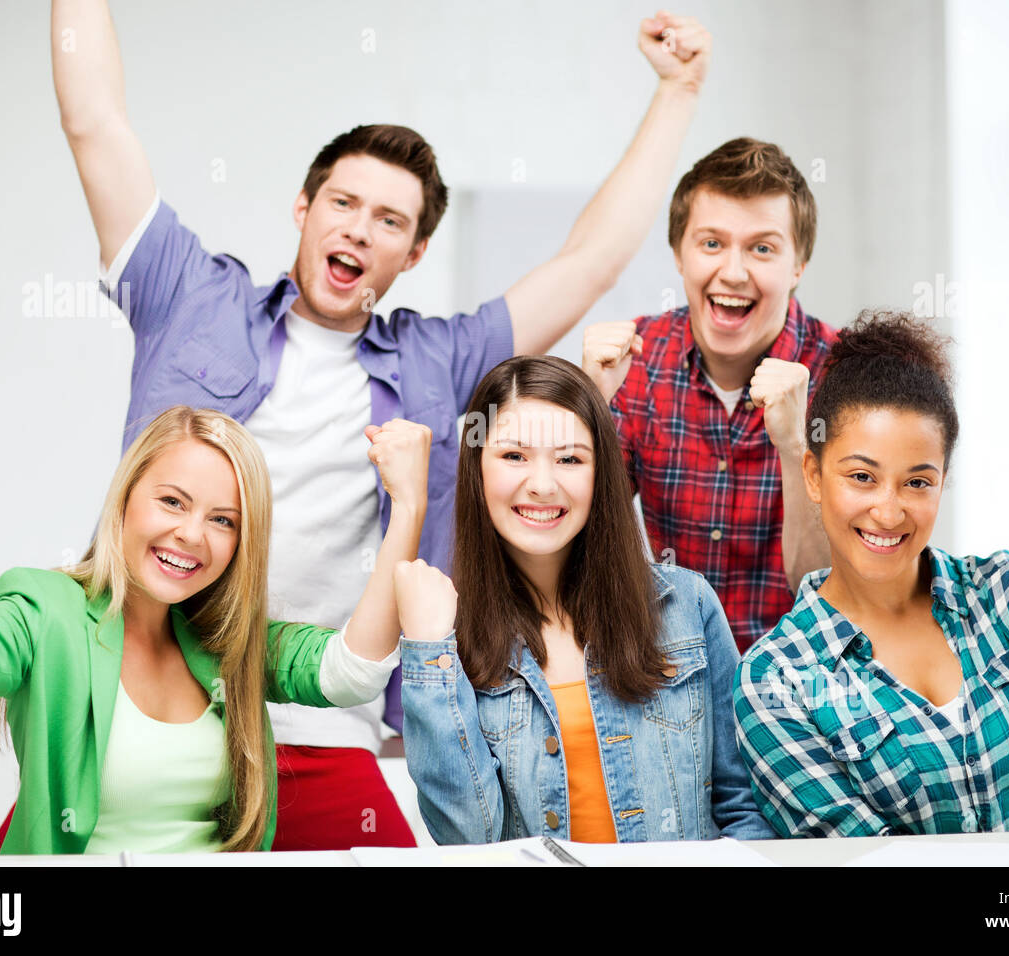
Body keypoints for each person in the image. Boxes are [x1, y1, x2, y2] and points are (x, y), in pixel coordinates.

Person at [51, 0, 715, 849]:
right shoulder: (188, 298)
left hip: (325, 725)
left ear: (416, 253)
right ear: (304, 207)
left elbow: (590, 263)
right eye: (344, 202)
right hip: (154, 709)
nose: (360, 230)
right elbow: (94, 125)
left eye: (390, 221)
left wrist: (678, 90)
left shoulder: (441, 361)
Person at [0, 367, 431, 853]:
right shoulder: (47, 616)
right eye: (172, 501)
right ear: (126, 499)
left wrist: (408, 506)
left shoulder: (230, 643)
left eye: (223, 520)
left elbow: (352, 672)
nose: (191, 534)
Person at [733, 312, 1009, 837]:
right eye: (862, 477)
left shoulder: (1004, 594)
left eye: (917, 482)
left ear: (942, 482)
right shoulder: (778, 679)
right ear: (814, 475)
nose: (888, 512)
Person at [394, 356, 775, 844]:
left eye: (570, 459)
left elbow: (745, 807)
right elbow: (466, 841)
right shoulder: (447, 635)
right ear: (478, 468)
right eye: (514, 456)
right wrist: (429, 651)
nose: (543, 484)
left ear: (600, 474)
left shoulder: (685, 604)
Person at [582, 137, 836, 654]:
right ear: (679, 254)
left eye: (762, 248)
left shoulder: (846, 375)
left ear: (798, 265)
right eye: (712, 243)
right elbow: (578, 554)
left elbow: (835, 593)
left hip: (804, 684)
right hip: (669, 675)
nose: (734, 272)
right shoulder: (636, 359)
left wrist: (795, 448)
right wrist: (586, 412)